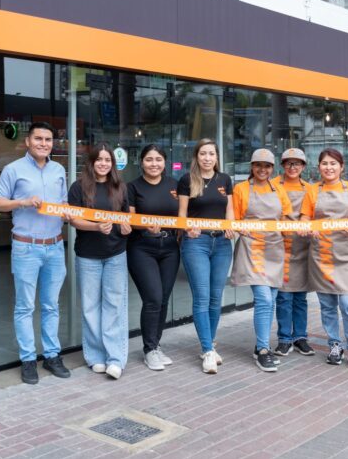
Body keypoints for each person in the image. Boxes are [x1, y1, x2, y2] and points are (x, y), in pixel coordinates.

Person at [0, 122, 71, 385]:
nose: (44, 143)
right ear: (28, 141)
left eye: (48, 140)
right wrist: (23, 202)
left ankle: (51, 355)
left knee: (51, 305)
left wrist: (68, 210)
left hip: (56, 246)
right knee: (25, 306)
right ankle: (28, 359)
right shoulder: (14, 170)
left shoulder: (59, 169)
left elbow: (62, 203)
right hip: (26, 246)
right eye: (39, 139)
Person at [300, 148, 348, 370]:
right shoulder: (312, 191)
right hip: (322, 254)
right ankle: (334, 345)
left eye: (333, 164)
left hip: (347, 254)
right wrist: (308, 228)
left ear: (342, 167)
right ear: (318, 166)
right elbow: (304, 217)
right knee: (328, 305)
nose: (328, 168)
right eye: (324, 164)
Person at [67, 143, 132, 379]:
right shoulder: (78, 187)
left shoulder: (120, 187)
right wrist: (95, 226)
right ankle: (95, 356)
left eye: (107, 160)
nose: (103, 163)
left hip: (116, 253)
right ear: (92, 162)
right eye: (99, 159)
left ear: (112, 164)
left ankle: (116, 358)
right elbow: (74, 220)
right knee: (90, 306)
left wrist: (126, 229)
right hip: (87, 255)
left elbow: (126, 221)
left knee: (114, 306)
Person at [231, 149, 293, 372]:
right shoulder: (240, 189)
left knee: (272, 300)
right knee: (264, 299)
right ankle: (264, 351)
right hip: (252, 249)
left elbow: (285, 217)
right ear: (251, 166)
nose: (262, 170)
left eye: (267, 166)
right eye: (258, 165)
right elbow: (235, 219)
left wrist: (298, 230)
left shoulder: (279, 190)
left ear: (272, 169)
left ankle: (261, 347)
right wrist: (241, 229)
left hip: (275, 249)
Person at [178, 138, 235, 374]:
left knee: (215, 297)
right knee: (201, 297)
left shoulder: (225, 180)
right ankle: (208, 350)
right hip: (196, 242)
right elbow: (181, 216)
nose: (207, 158)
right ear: (196, 156)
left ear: (217, 157)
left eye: (211, 154)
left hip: (222, 242)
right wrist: (187, 228)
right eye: (203, 154)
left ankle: (208, 345)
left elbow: (229, 211)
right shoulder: (187, 180)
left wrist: (230, 227)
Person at [127, 144, 181, 372]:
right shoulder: (133, 187)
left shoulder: (174, 185)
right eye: (149, 160)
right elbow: (129, 219)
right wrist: (146, 225)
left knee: (164, 299)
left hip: (170, 248)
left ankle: (156, 345)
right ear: (141, 162)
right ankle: (149, 350)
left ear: (165, 163)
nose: (154, 164)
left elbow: (183, 216)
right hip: (142, 247)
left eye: (158, 159)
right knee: (153, 298)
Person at [272, 148, 315, 357]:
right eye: (288, 163)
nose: (292, 167)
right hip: (278, 245)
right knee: (283, 297)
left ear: (303, 167)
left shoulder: (310, 188)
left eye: (297, 163)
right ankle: (284, 339)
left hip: (303, 246)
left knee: (300, 297)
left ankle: (300, 337)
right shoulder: (272, 186)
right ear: (282, 165)